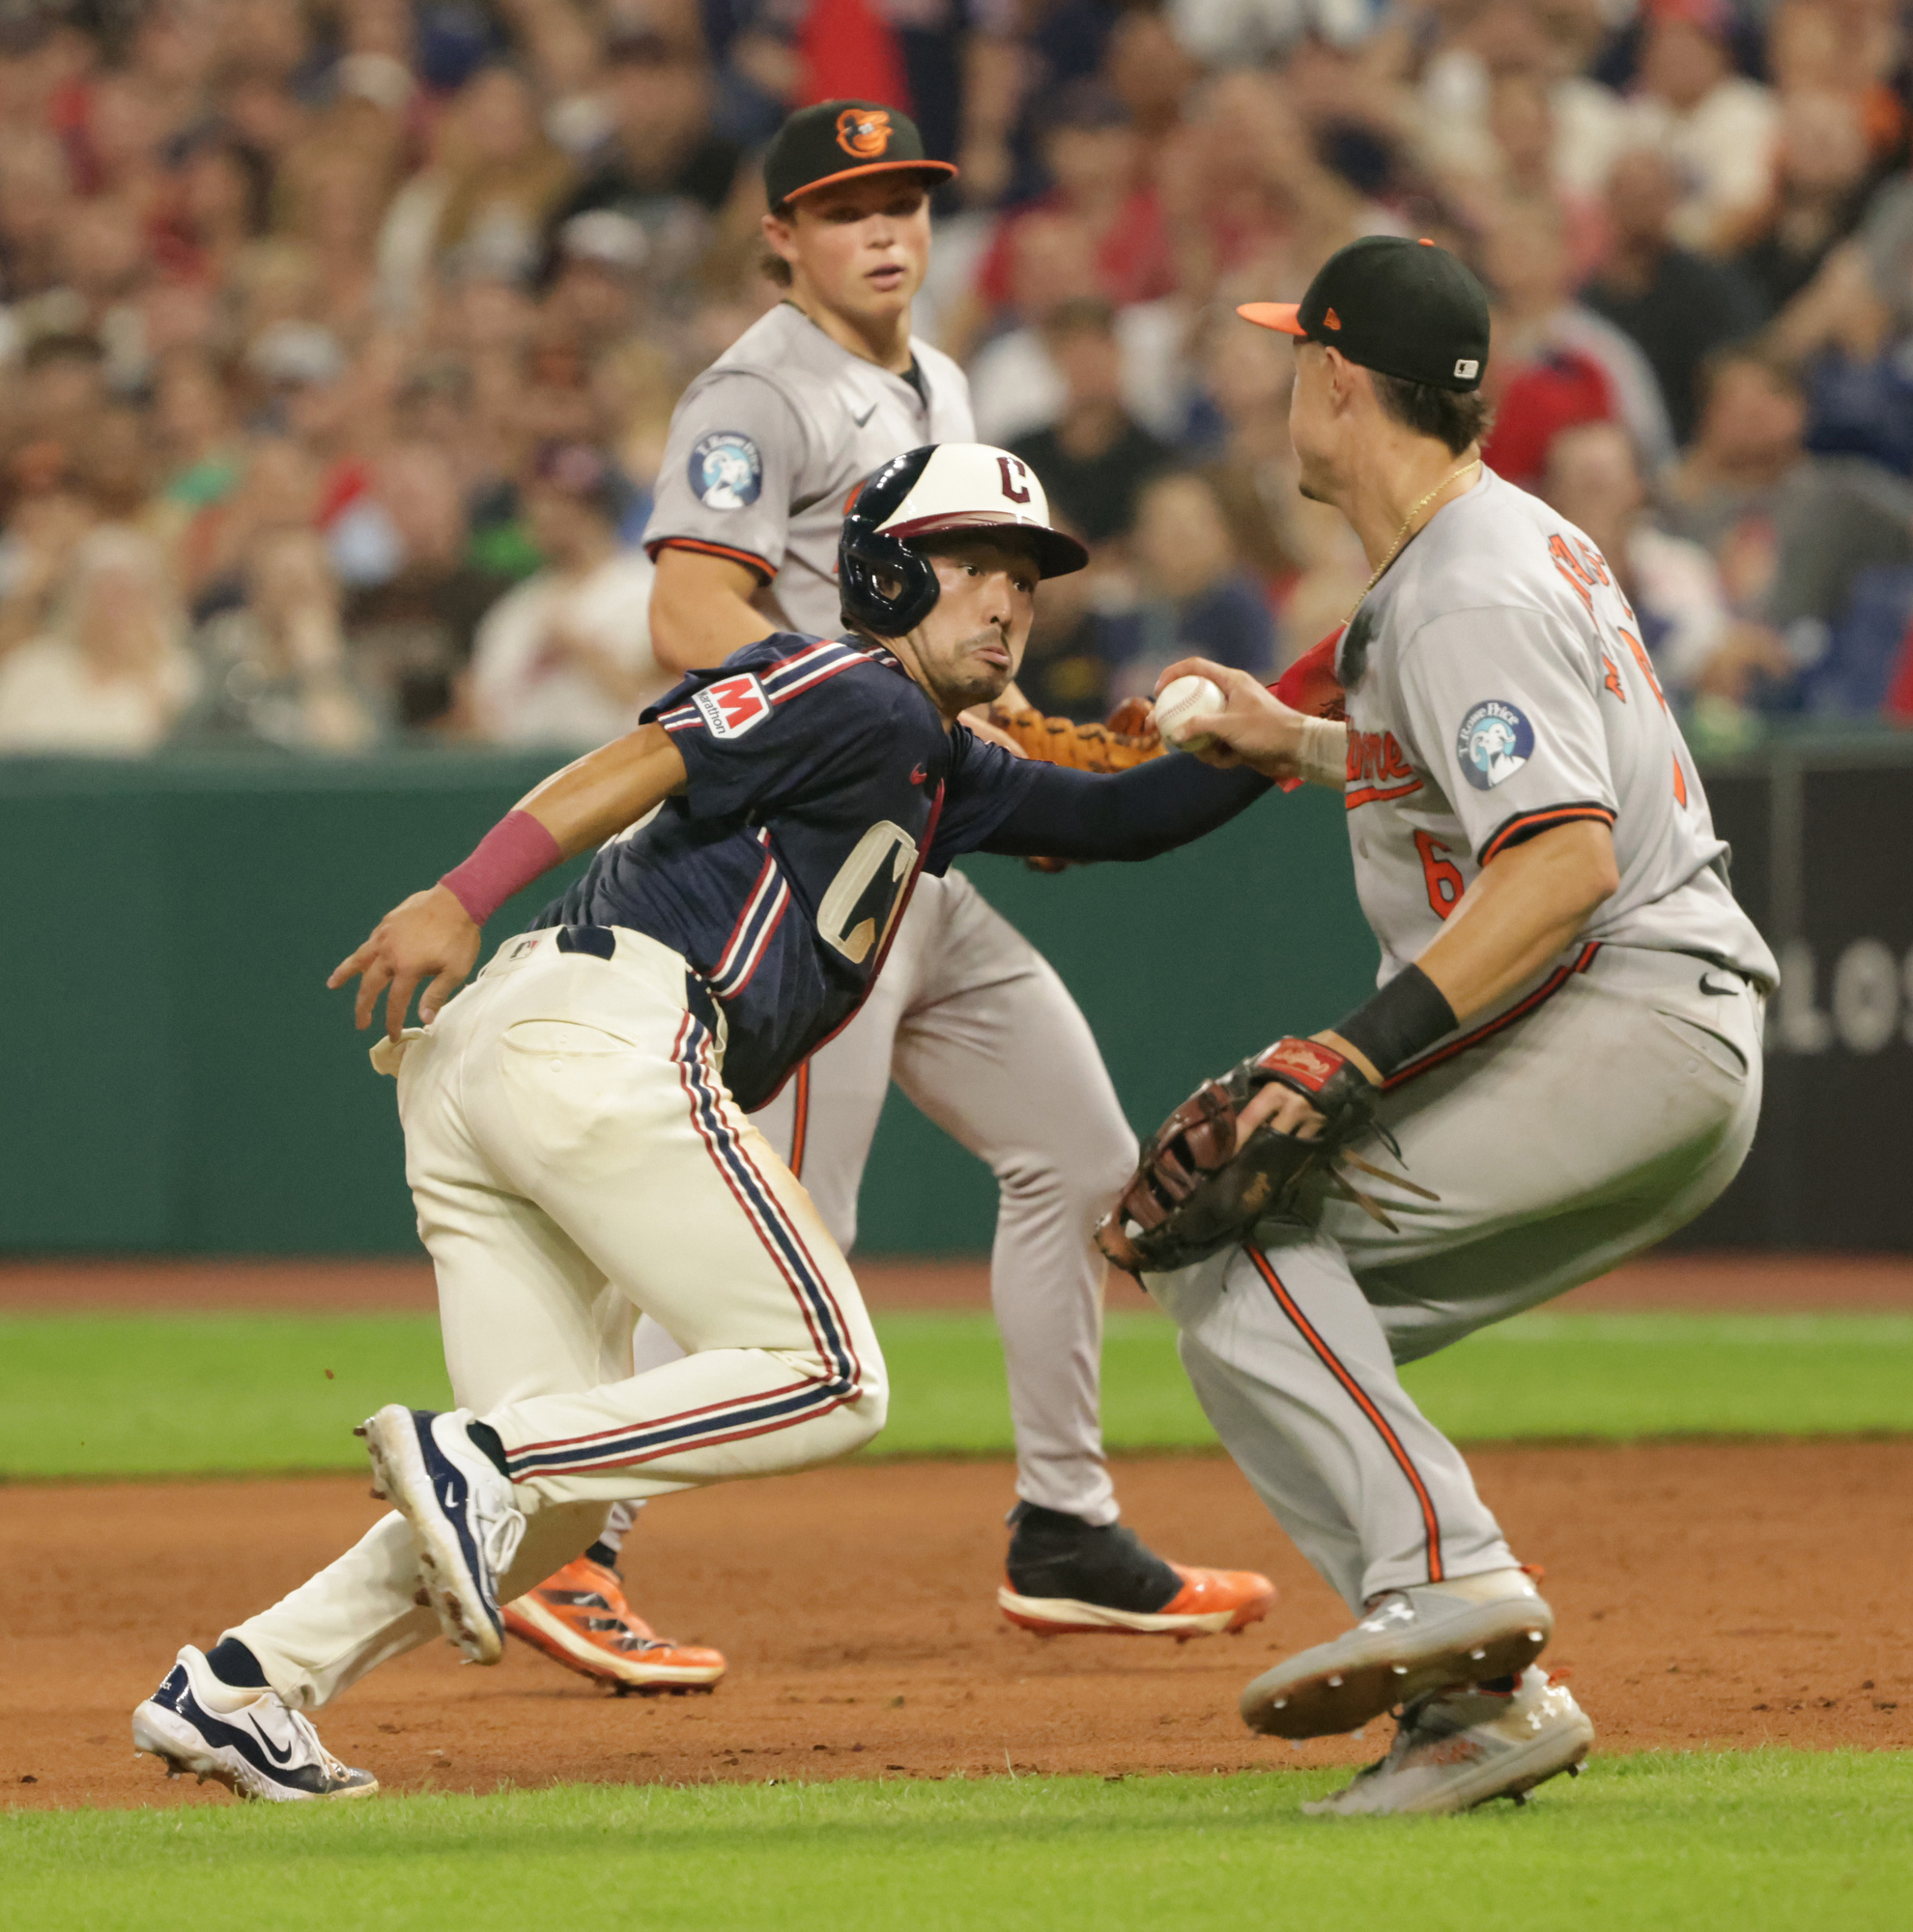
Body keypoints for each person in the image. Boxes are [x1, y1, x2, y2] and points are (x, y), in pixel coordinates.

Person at [128, 441, 1278, 1802]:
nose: (1008, 602)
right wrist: (462, 888)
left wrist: (1284, 739)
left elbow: (1121, 817)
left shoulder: (936, 760)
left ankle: (244, 1684)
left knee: (548, 1515)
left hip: (505, 1072)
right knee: (831, 1373)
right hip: (601, 1033)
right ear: (888, 573)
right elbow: (645, 754)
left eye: (1025, 580)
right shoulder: (847, 682)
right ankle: (476, 1451)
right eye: (974, 565)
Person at [584, 100, 1275, 1688]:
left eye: (903, 201)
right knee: (790, 1240)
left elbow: (942, 636)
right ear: (781, 238)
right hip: (818, 862)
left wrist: (1009, 737)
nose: (884, 230)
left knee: (1080, 1156)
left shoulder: (941, 386)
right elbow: (689, 616)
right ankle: (568, 1533)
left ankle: (1065, 1529)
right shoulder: (755, 391)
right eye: (845, 209)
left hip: (920, 845)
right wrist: (875, 722)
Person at [1117, 237, 1775, 1815]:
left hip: (1624, 1016)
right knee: (1248, 1297)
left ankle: (1453, 1590)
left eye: (1298, 356)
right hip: (1662, 1028)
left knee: (1241, 1236)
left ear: (1342, 380)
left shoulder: (1463, 583)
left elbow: (1560, 861)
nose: (1286, 383)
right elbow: (1488, 777)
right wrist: (1299, 742)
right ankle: (1472, 1711)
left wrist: (1352, 1053)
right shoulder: (1498, 545)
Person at [467, 442, 669, 750]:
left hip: (621, 763)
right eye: (537, 502)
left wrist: (584, 652)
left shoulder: (650, 590)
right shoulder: (517, 607)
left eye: (562, 502)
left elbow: (666, 706)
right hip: (527, 771)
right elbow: (484, 717)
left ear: (597, 508)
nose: (545, 514)